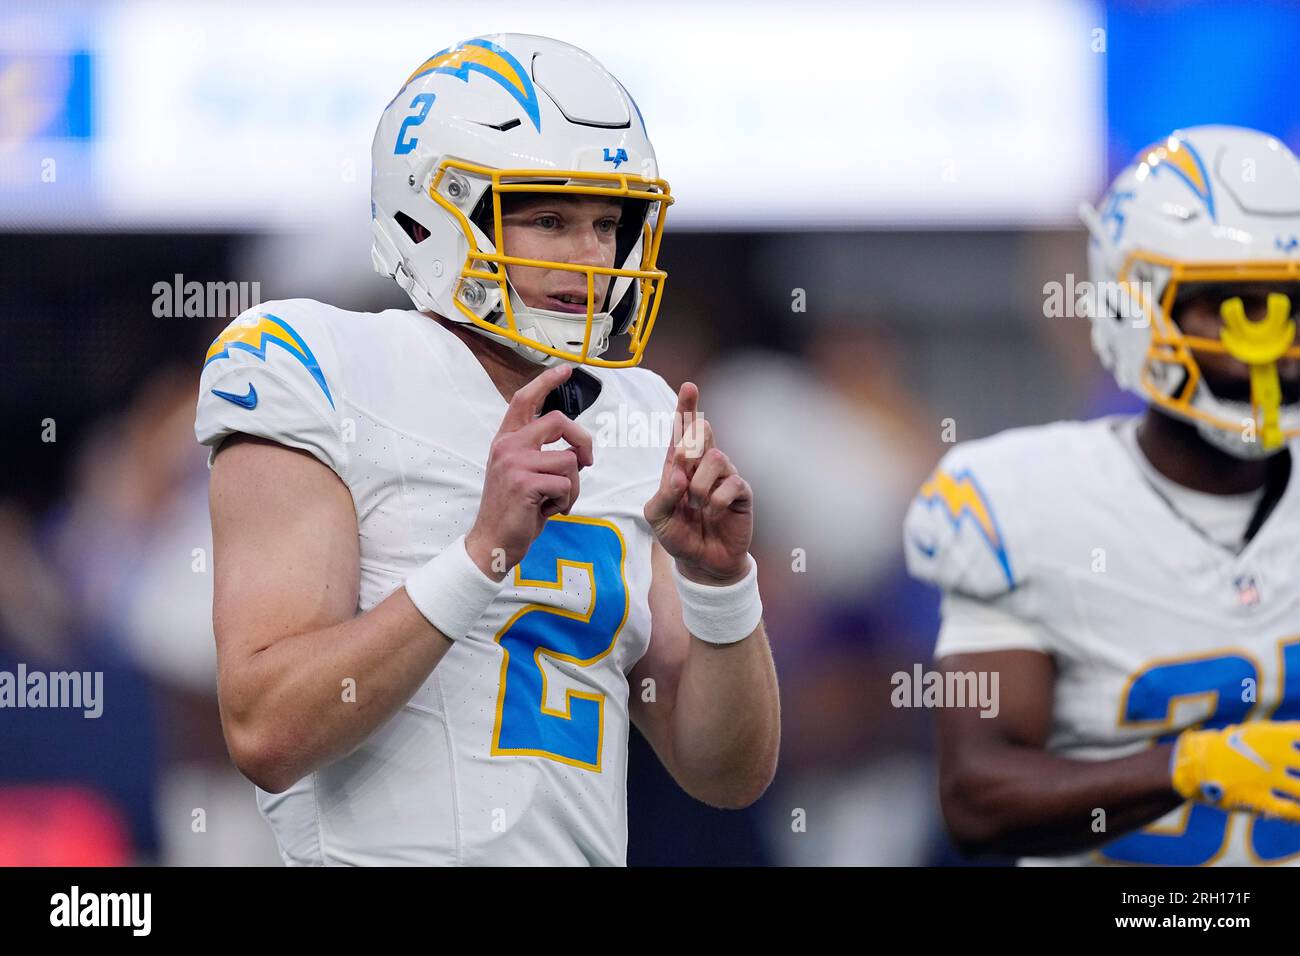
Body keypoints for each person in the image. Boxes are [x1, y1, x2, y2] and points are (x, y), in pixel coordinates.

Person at [195, 34, 779, 866]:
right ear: (434, 209)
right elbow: (266, 726)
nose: (591, 257)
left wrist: (722, 588)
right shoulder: (311, 364)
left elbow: (724, 772)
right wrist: (483, 554)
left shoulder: (638, 410)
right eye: (550, 219)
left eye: (607, 223)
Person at [905, 125, 1300, 865]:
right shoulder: (1024, 502)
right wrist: (1191, 767)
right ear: (1136, 306)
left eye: (1288, 307)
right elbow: (975, 794)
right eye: (1234, 308)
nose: (1272, 348)